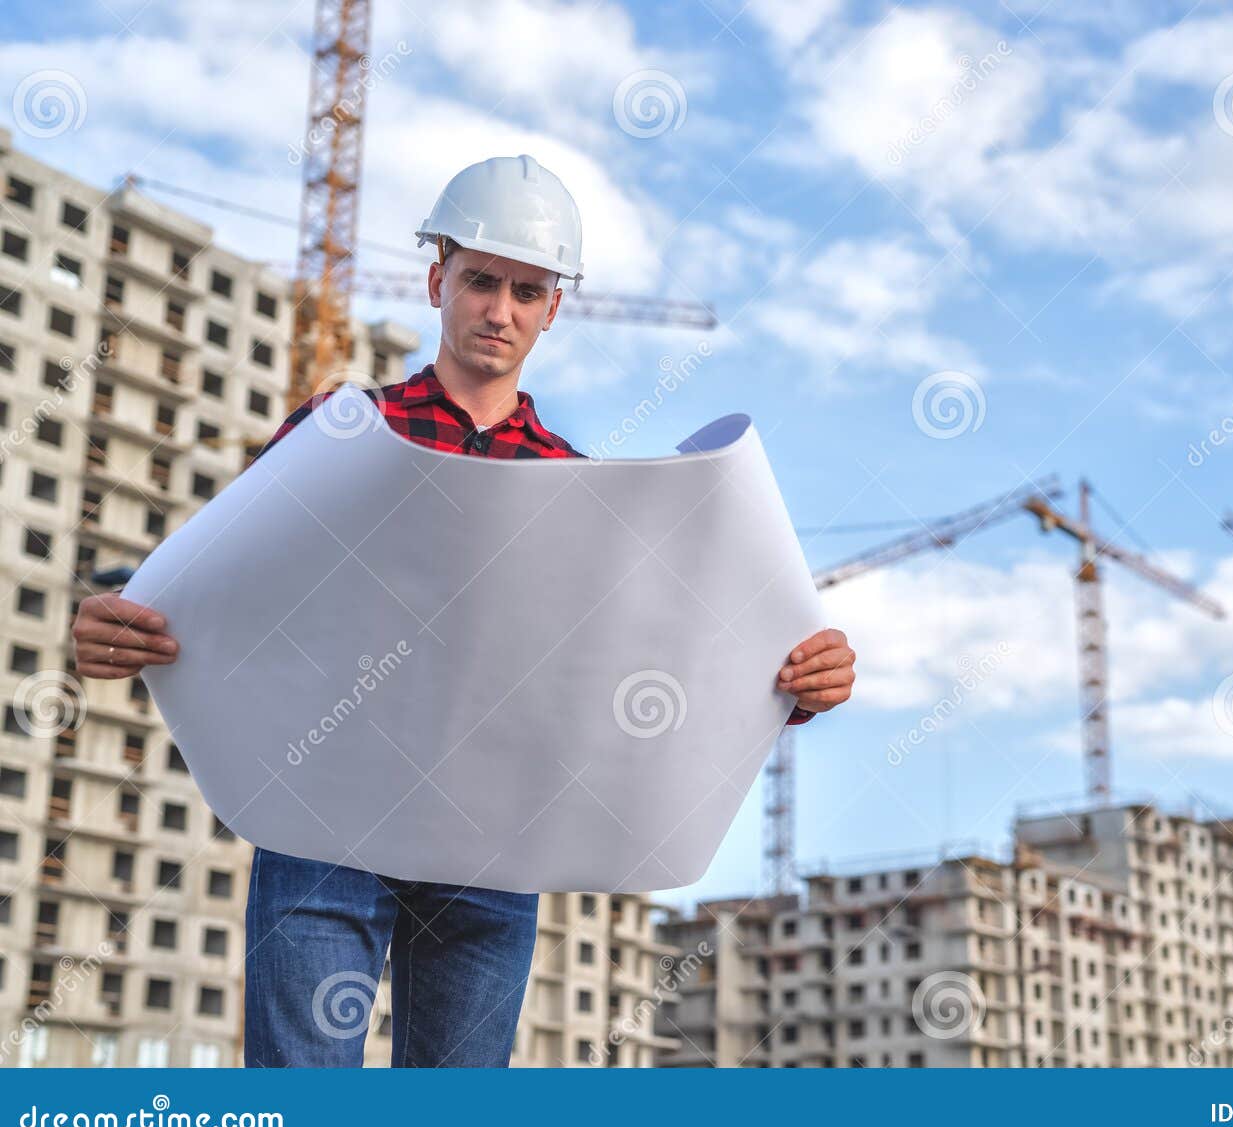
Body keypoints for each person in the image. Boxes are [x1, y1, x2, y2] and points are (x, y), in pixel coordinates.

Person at [70, 155, 857, 1067]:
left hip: (491, 855)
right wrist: (126, 624)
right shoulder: (340, 436)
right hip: (326, 832)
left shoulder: (574, 489)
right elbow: (241, 587)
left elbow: (649, 656)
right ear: (438, 278)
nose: (500, 310)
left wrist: (794, 685)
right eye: (481, 280)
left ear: (554, 308)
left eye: (528, 290)